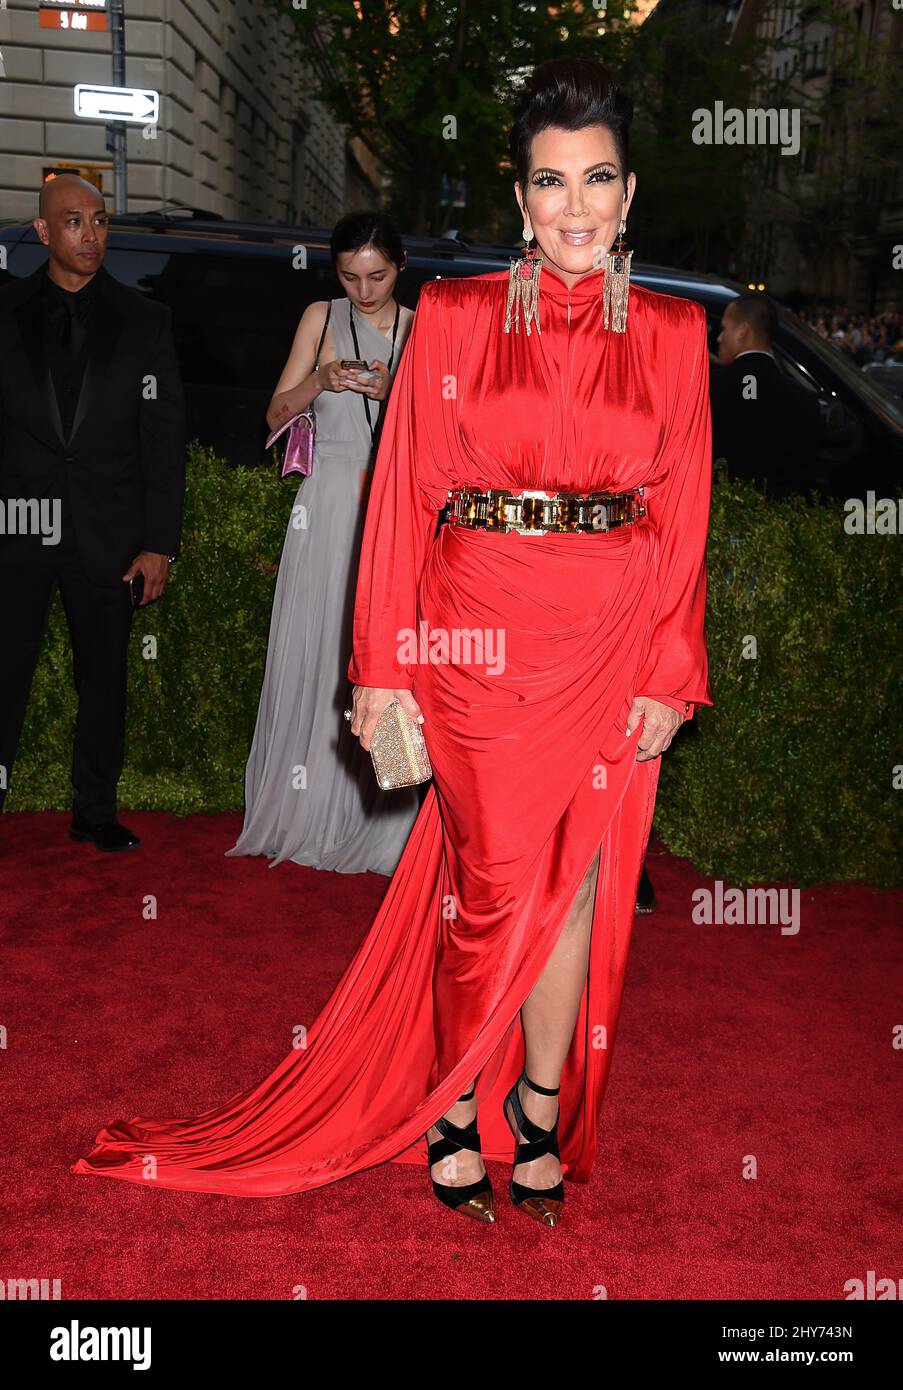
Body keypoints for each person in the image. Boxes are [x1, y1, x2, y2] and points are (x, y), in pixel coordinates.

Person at [72, 58, 712, 1226]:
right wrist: (382, 672)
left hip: (613, 643)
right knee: (488, 887)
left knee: (571, 893)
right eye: (550, 183)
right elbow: (402, 500)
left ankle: (536, 1106)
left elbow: (683, 511)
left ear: (628, 196)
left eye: (598, 180)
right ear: (521, 201)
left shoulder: (673, 333)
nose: (575, 207)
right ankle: (451, 1106)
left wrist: (674, 668)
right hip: (477, 642)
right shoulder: (459, 318)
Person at [226, 212, 419, 875]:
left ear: (400, 267)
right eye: (349, 275)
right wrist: (322, 381)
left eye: (377, 275)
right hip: (327, 505)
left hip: (396, 512)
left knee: (388, 662)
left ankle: (388, 824)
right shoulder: (319, 315)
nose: (363, 290)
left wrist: (396, 391)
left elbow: (445, 433)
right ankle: (306, 812)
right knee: (321, 652)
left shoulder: (423, 328)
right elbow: (275, 417)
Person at [0, 175, 185, 849]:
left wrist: (159, 544)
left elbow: (164, 441)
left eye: (100, 220)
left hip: (107, 531)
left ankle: (95, 810)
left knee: (103, 676)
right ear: (44, 232)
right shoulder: (5, 310)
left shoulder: (145, 320)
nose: (91, 235)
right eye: (73, 222)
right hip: (14, 528)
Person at [711, 293, 820, 499]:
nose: (719, 337)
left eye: (724, 328)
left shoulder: (710, 387)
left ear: (743, 331)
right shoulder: (805, 400)